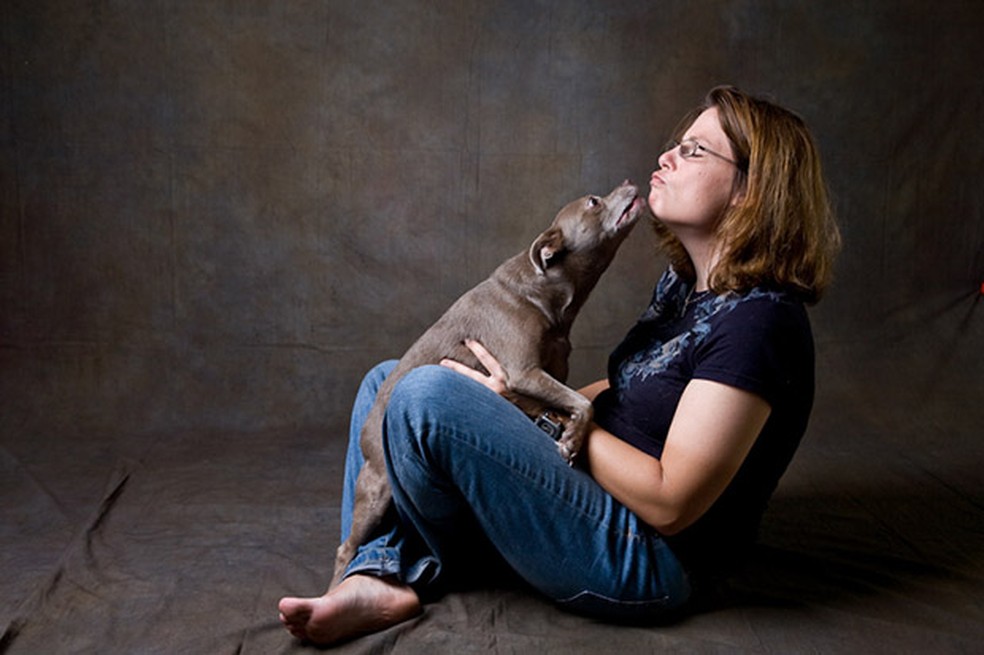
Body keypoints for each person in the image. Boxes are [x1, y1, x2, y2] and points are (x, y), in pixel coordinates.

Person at [278, 85, 841, 646]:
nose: (666, 156)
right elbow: (626, 390)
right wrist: (515, 406)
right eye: (677, 144)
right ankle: (377, 574)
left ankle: (389, 568)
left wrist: (533, 413)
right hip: (591, 496)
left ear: (750, 190)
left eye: (694, 151)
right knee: (388, 377)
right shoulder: (687, 289)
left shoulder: (758, 323)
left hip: (643, 559)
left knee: (426, 396)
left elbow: (671, 503)